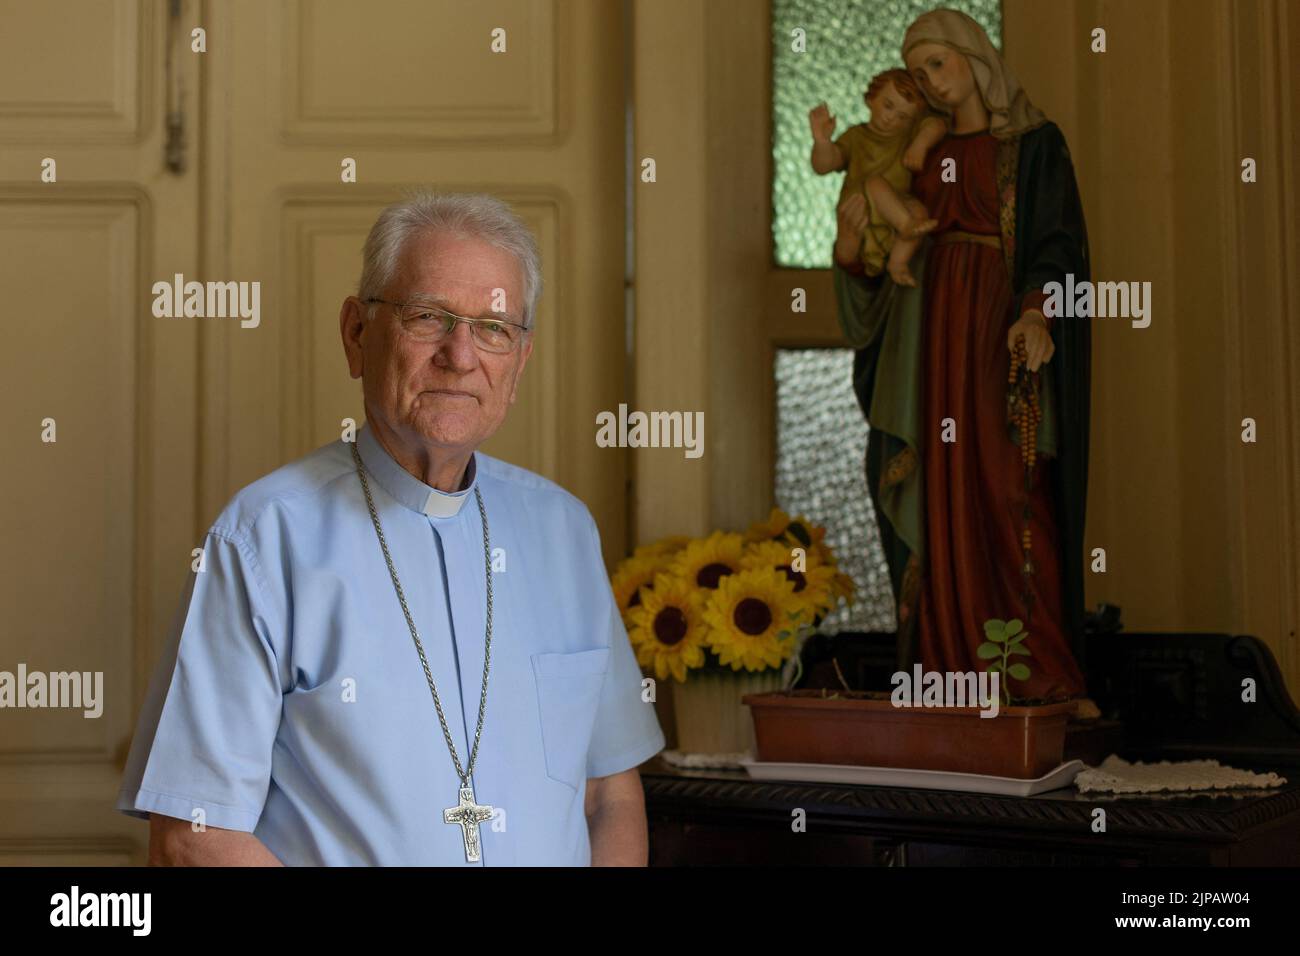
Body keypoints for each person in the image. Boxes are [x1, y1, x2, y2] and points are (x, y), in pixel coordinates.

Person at [115, 191, 665, 865]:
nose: (460, 356)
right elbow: (193, 836)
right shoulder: (263, 539)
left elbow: (608, 795)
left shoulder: (564, 531)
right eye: (427, 317)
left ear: (518, 362)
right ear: (356, 332)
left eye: (492, 328)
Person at [832, 9, 1092, 704]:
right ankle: (946, 676)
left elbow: (1059, 246)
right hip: (929, 349)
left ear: (975, 57)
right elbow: (885, 270)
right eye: (917, 75)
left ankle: (1037, 680)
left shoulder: (1034, 146)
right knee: (939, 497)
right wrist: (850, 249)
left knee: (1011, 492)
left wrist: (1037, 311)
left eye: (938, 66)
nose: (931, 84)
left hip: (994, 342)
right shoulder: (919, 156)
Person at [809, 69, 946, 286]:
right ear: (871, 98)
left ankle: (897, 263)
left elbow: (937, 124)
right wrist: (822, 140)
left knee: (920, 212)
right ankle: (907, 226)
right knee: (875, 183)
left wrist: (921, 143)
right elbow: (824, 166)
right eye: (888, 105)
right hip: (861, 208)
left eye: (903, 117)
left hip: (895, 210)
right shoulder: (856, 136)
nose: (891, 118)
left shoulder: (906, 138)